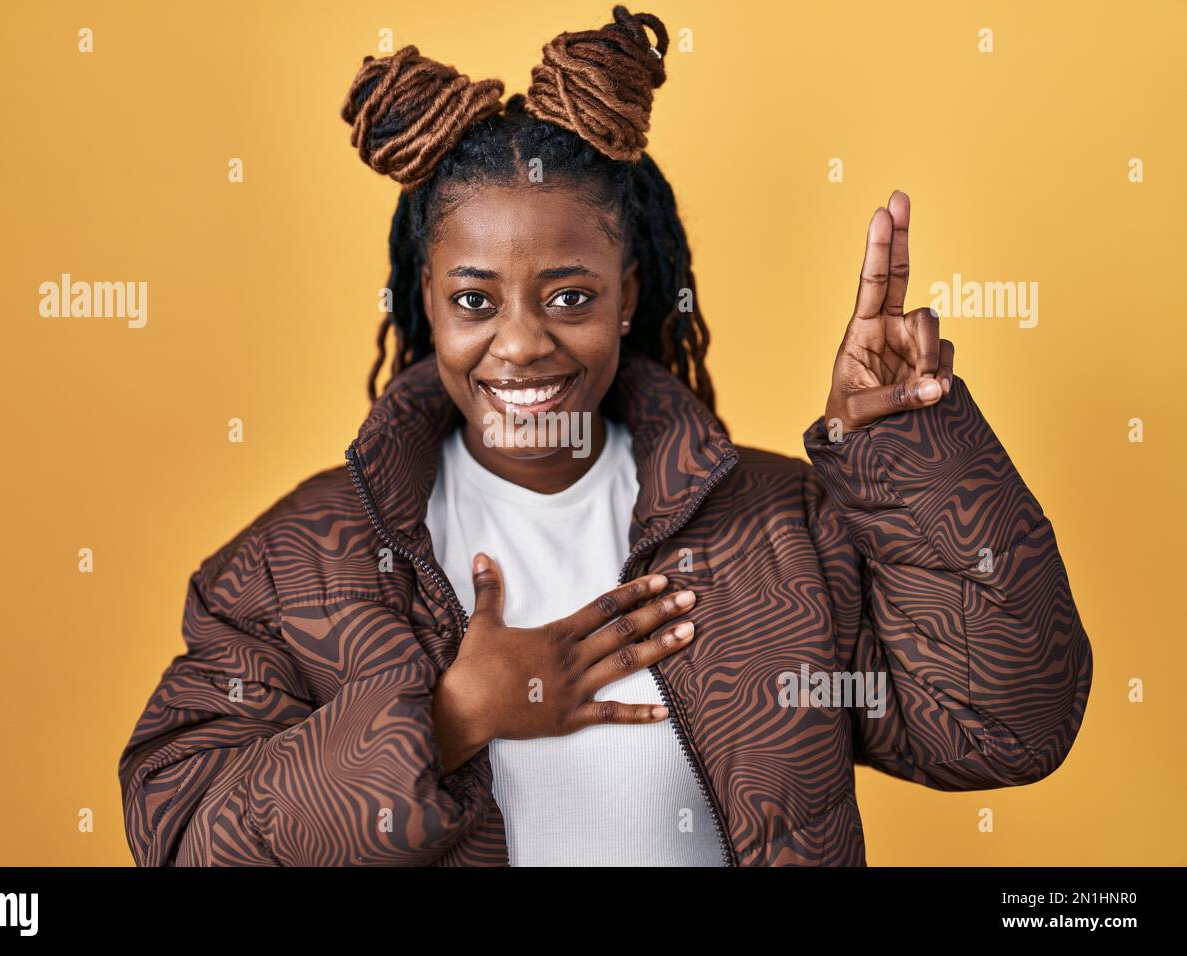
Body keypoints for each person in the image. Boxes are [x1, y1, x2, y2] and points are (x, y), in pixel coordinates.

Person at [118, 5, 1093, 866]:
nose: (521, 343)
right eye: (473, 298)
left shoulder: (775, 524)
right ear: (422, 299)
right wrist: (448, 720)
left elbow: (998, 727)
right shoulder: (290, 565)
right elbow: (185, 832)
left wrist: (906, 452)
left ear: (632, 295)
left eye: (570, 295)